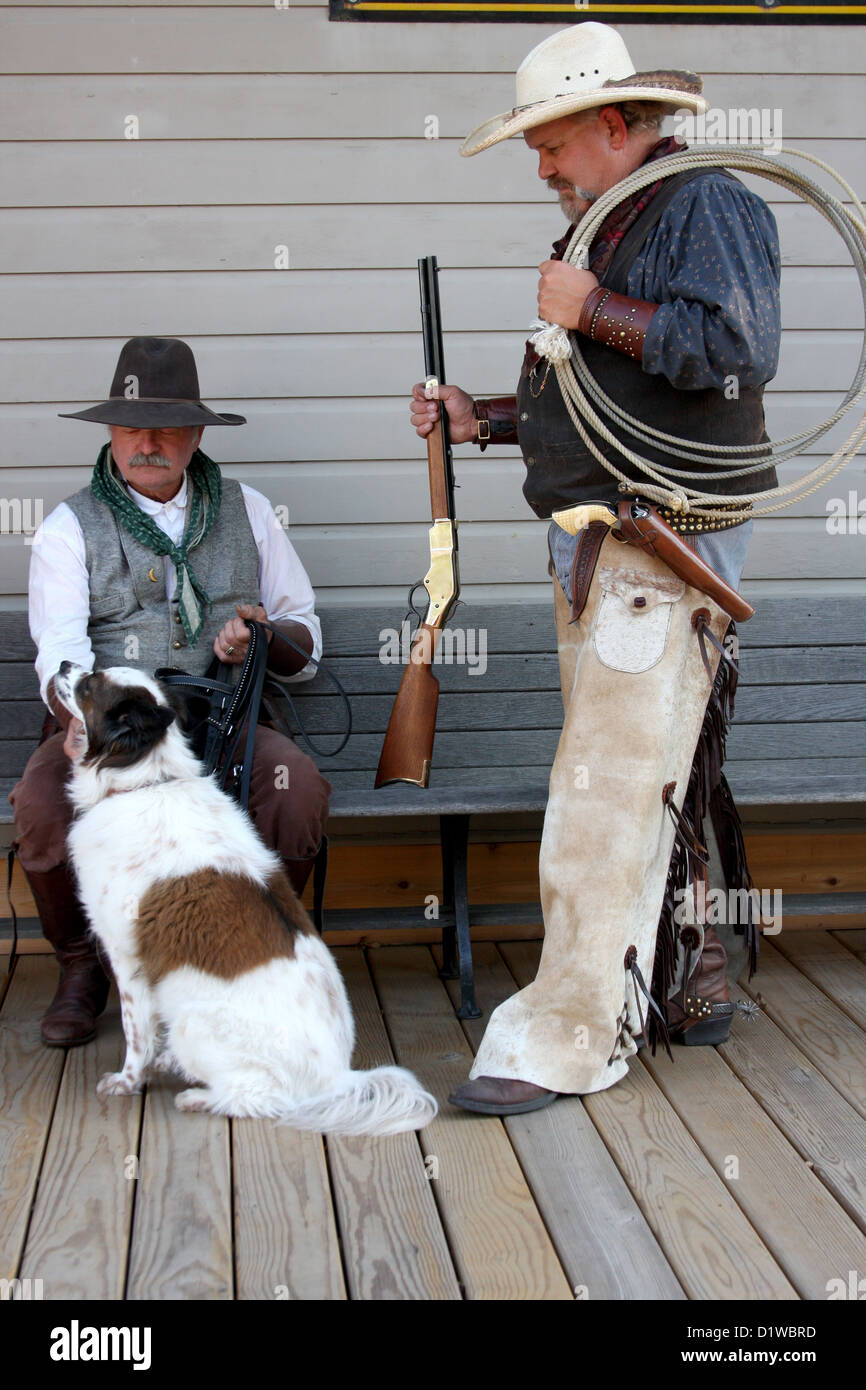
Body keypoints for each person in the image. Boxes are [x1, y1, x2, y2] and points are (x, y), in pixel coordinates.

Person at [410, 22, 780, 1114]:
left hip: (652, 547)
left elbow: (734, 352)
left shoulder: (703, 202)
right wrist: (479, 420)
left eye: (552, 144)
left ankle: (575, 1032)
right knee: (623, 780)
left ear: (613, 126)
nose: (543, 167)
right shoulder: (610, 226)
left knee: (604, 802)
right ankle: (677, 984)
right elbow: (598, 409)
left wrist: (597, 311)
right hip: (603, 541)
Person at [11, 336, 331, 1048]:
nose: (146, 443)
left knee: (297, 788)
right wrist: (74, 715)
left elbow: (305, 644)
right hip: (111, 727)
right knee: (36, 804)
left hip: (217, 717)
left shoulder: (249, 512)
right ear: (111, 434)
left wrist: (259, 636)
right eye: (131, 428)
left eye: (164, 429)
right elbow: (59, 654)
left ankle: (251, 957)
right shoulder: (69, 526)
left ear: (194, 435)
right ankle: (83, 969)